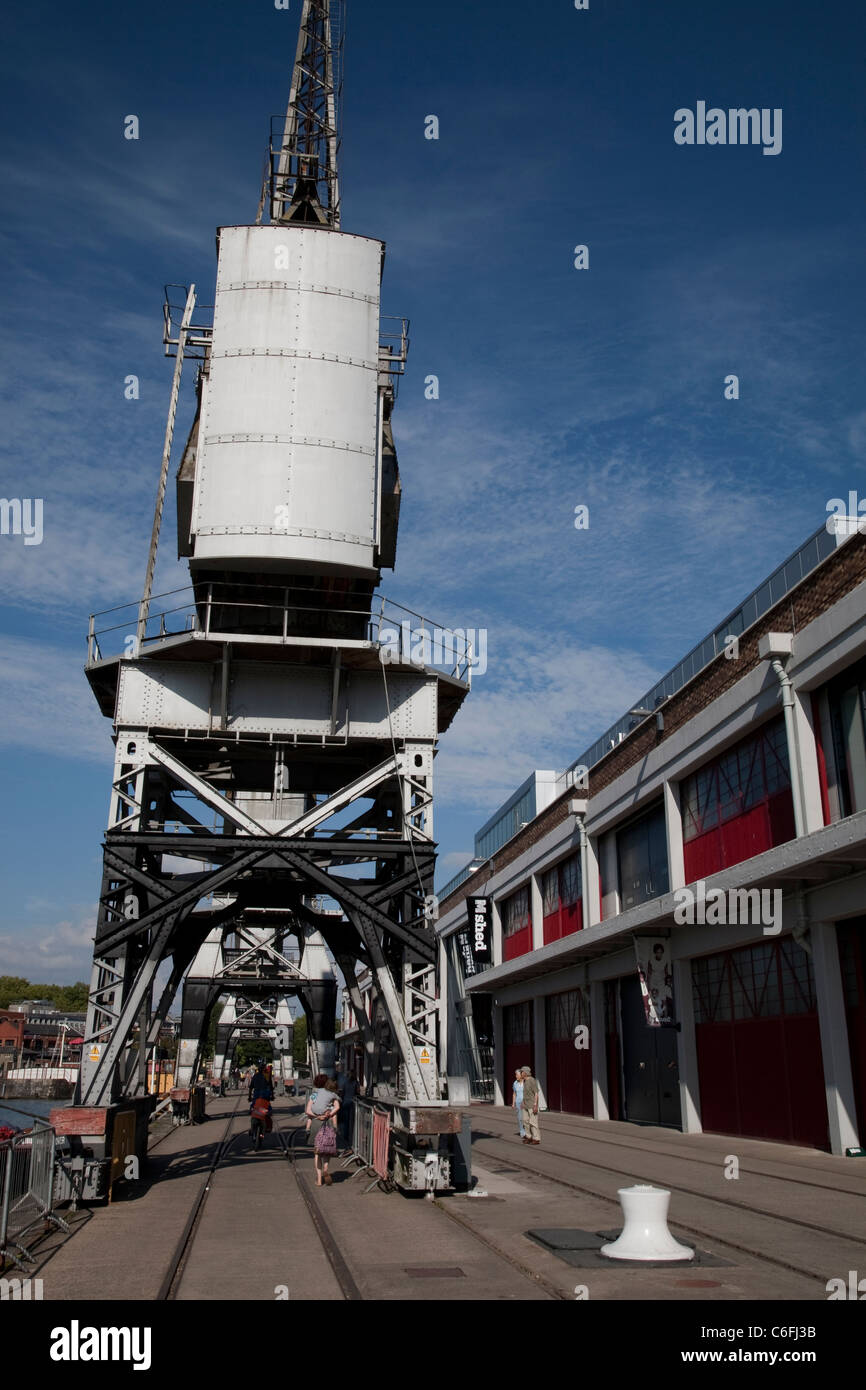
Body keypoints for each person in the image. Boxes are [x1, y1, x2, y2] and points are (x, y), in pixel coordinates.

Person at [306, 1076, 340, 1187]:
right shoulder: (332, 1095)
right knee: (327, 1148)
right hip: (328, 1123)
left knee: (317, 1152)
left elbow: (308, 1110)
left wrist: (318, 1116)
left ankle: (319, 1180)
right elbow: (337, 1107)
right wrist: (329, 1114)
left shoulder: (314, 1094)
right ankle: (326, 1168)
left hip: (316, 1123)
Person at [520, 1065, 541, 1145]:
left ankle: (536, 1138)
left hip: (532, 1105)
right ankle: (528, 1137)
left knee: (533, 1122)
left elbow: (536, 1093)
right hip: (525, 1105)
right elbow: (525, 1094)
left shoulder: (532, 1080)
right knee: (525, 1122)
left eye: (522, 1072)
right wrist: (522, 1102)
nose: (521, 1073)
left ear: (525, 1073)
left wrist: (535, 1105)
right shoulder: (525, 1081)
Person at [338, 1069, 358, 1150]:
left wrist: (341, 1101)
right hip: (353, 1103)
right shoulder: (356, 1083)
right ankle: (352, 1136)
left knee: (346, 1121)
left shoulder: (345, 1083)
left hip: (345, 1103)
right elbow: (357, 1092)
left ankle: (345, 1136)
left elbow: (342, 1093)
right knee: (353, 1121)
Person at [512, 1067, 526, 1138]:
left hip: (525, 1103)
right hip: (518, 1103)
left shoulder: (525, 1082)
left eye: (517, 1075)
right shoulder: (515, 1083)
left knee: (526, 1118)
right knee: (520, 1118)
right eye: (515, 1075)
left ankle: (527, 1131)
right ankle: (522, 1131)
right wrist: (513, 1103)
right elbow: (514, 1094)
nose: (516, 1076)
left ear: (521, 1075)